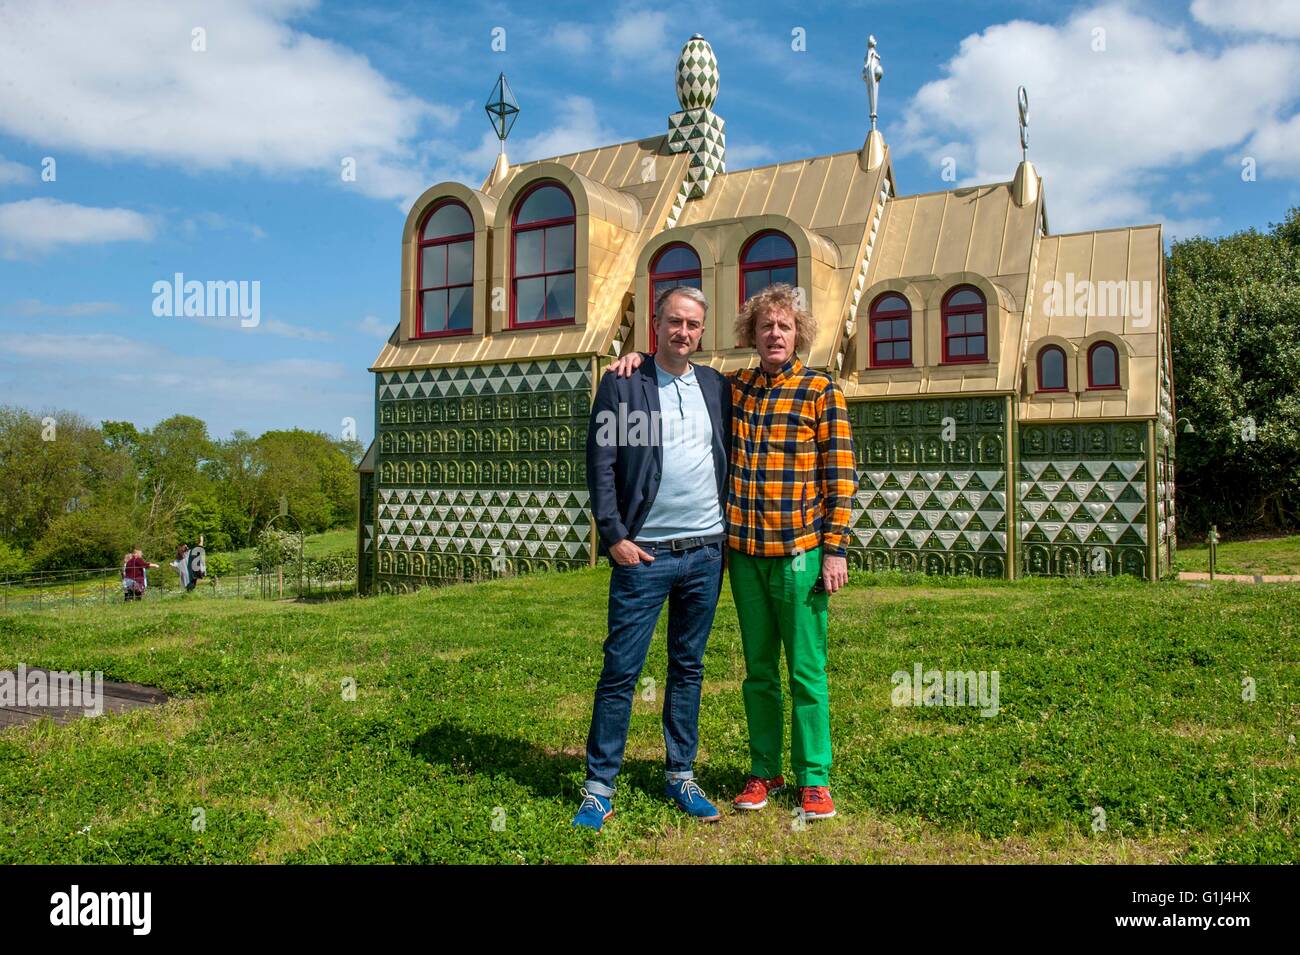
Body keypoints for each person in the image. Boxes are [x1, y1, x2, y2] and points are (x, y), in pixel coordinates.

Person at [607, 283, 856, 821]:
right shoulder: (733, 388)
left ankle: (815, 778)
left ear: (799, 334)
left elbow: (841, 477)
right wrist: (635, 359)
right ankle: (764, 770)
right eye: (766, 326)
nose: (775, 335)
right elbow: (670, 372)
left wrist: (835, 550)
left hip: (799, 553)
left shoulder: (820, 390)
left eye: (784, 327)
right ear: (752, 334)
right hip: (741, 553)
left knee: (807, 671)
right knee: (759, 671)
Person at [574, 285, 732, 831]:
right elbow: (601, 464)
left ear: (701, 332)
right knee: (621, 670)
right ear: (655, 326)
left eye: (692, 324)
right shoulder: (624, 384)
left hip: (707, 553)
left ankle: (681, 774)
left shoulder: (715, 385)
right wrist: (613, 534)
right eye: (673, 322)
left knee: (688, 668)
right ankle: (599, 787)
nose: (682, 332)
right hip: (644, 556)